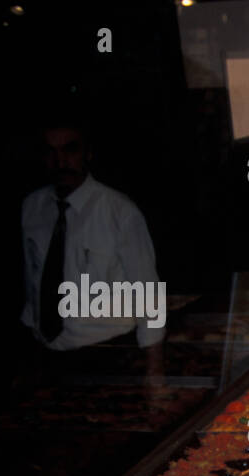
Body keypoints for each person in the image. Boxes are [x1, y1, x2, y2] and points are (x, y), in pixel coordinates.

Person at [20, 116, 165, 383]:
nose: (60, 162)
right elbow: (34, 281)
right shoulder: (33, 208)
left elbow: (149, 293)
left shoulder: (118, 212)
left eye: (69, 150)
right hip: (50, 355)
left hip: (110, 355)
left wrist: (154, 371)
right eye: (51, 152)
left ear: (87, 153)